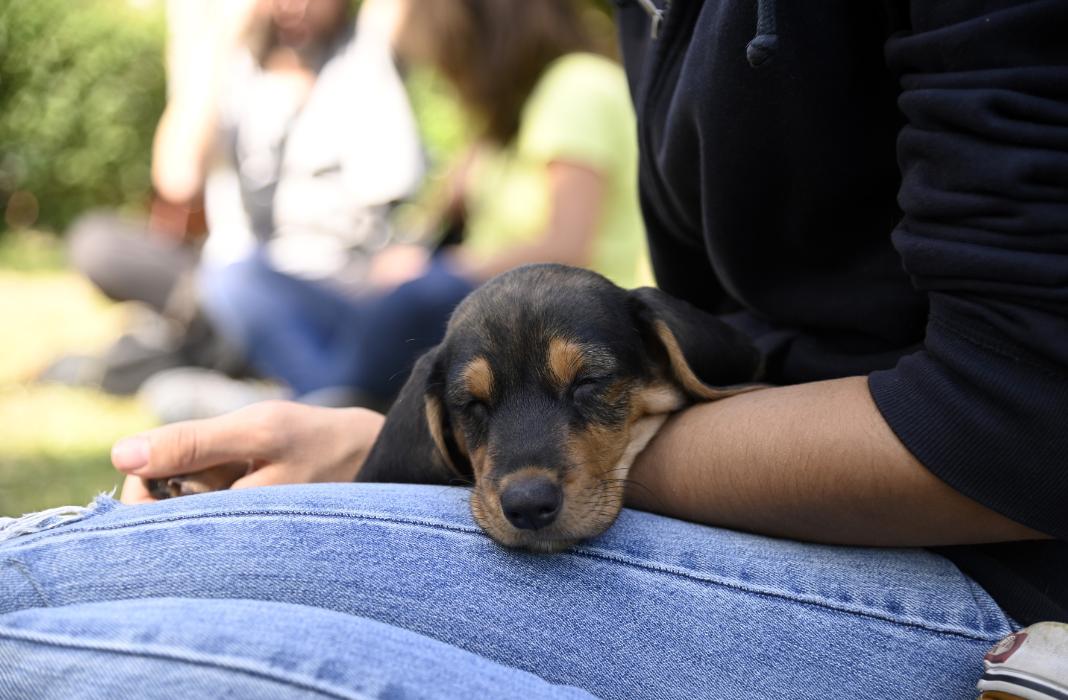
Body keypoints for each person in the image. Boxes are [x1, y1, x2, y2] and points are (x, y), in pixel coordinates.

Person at [2, 1, 1066, 698]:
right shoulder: (654, 18)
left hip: (1000, 597)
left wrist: (574, 465)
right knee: (60, 568)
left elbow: (1017, 422)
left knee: (43, 614)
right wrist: (393, 453)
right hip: (784, 520)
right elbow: (732, 331)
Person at [198, 0, 648, 409]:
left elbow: (567, 248)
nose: (449, 77)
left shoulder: (577, 88)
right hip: (458, 301)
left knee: (414, 297)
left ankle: (300, 406)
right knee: (237, 277)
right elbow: (433, 220)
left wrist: (445, 266)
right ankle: (318, 398)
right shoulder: (511, 117)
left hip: (535, 315)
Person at [50, 0, 424, 412]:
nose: (295, 7)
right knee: (103, 244)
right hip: (225, 285)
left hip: (333, 291)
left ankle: (252, 376)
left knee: (238, 292)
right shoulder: (233, 69)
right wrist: (222, 38)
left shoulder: (367, 57)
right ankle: (271, 377)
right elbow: (177, 177)